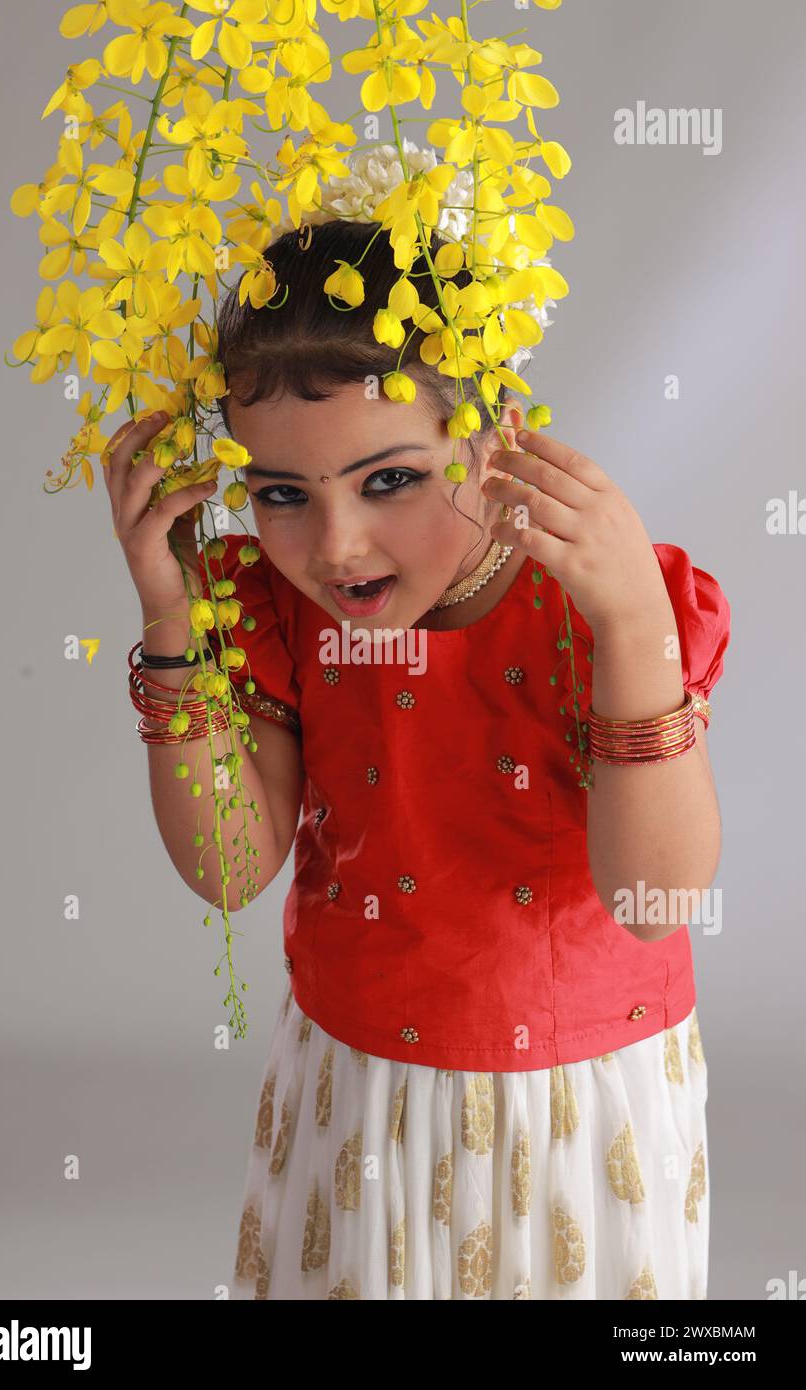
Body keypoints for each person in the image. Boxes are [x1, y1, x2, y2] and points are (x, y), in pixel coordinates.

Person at [104, 218, 730, 1300]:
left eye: (387, 480)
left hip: (575, 1110)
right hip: (359, 1096)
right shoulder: (278, 612)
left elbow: (653, 896)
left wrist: (632, 629)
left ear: (493, 435)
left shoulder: (596, 611)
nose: (334, 545)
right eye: (282, 494)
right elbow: (227, 870)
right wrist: (170, 617)